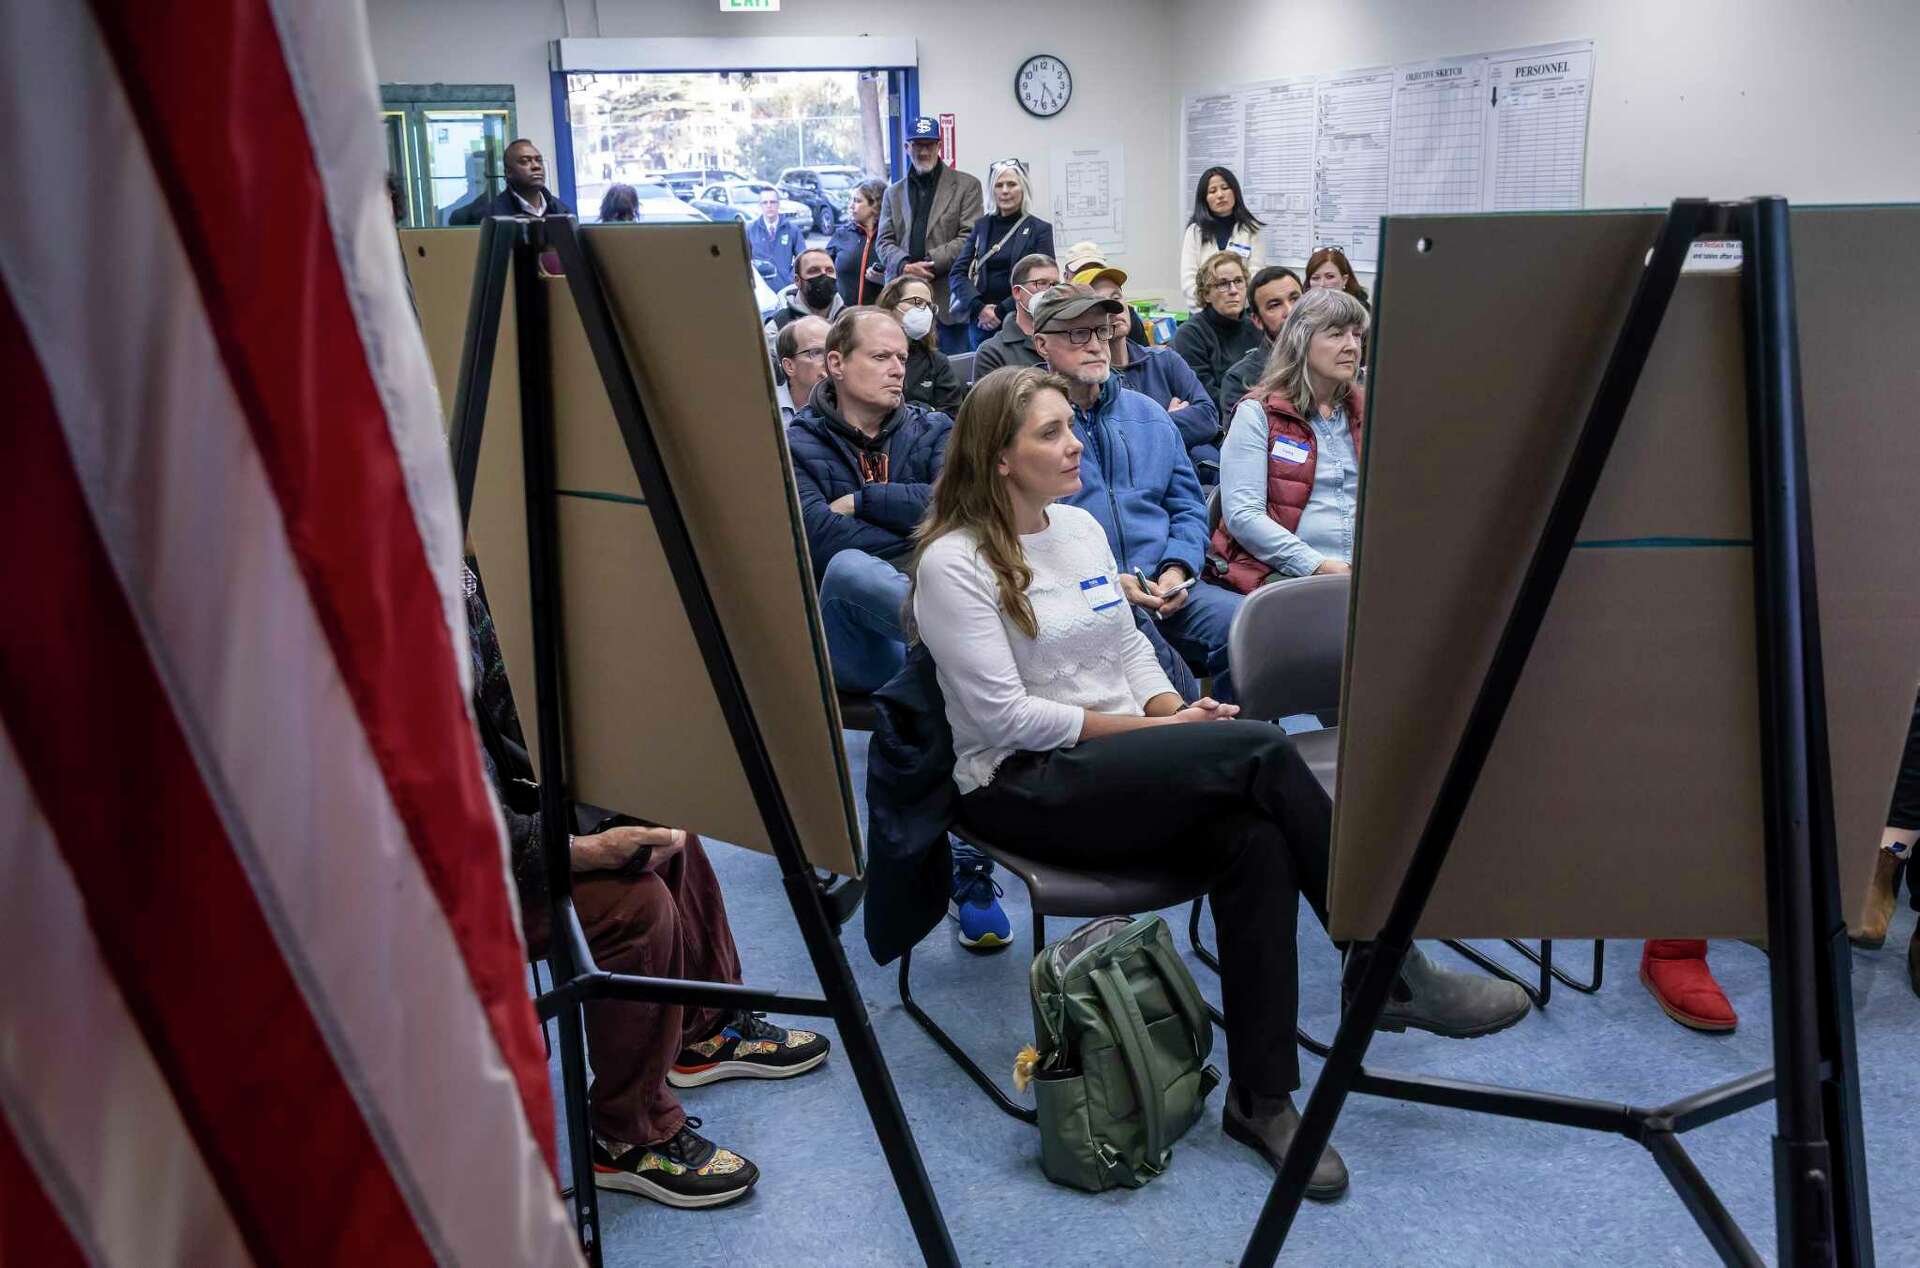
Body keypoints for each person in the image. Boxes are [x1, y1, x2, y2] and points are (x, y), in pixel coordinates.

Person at [909, 365, 1532, 1198]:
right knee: (1260, 751)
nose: (1073, 443)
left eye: (1070, 425)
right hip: (1023, 784)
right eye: (1050, 433)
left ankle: (1262, 1099)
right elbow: (1008, 720)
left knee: (1258, 839)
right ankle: (1387, 967)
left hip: (1118, 763)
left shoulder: (1080, 530)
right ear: (998, 460)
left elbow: (1127, 648)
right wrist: (1167, 732)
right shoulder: (953, 564)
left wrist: (1174, 708)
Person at [462, 564, 828, 1210]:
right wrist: (574, 848)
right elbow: (444, 817)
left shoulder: (453, 577)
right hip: (448, 881)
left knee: (664, 828)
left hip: (505, 821)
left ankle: (703, 1028)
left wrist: (617, 768)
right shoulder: (375, 618)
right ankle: (627, 1135)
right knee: (632, 908)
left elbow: (510, 708)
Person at [787, 308, 1010, 949]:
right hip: (855, 630)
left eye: (901, 359)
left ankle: (967, 872)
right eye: (881, 357)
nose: (897, 369)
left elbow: (959, 505)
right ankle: (964, 647)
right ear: (835, 363)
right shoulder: (796, 443)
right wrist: (910, 524)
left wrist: (863, 499)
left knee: (944, 700)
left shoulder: (933, 426)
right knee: (856, 567)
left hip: (927, 621)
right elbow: (817, 539)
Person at [1028, 283, 1239, 685]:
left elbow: (1187, 508)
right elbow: (1020, 532)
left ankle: (1240, 738)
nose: (1096, 345)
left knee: (1251, 630)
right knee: (1166, 681)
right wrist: (1108, 583)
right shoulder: (1026, 425)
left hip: (1167, 586)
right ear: (1041, 344)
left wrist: (1177, 568)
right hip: (1081, 596)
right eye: (1078, 333)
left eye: (1102, 330)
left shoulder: (1149, 415)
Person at [1209, 289, 1364, 593]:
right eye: (1336, 334)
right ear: (1302, 342)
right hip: (1290, 573)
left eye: (1356, 335)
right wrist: (1316, 565)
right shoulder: (1258, 414)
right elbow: (1243, 516)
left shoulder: (1367, 412)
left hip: (1366, 573)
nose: (1351, 346)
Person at [1079, 258, 1221, 478]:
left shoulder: (1164, 359)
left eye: (1117, 298)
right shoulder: (1089, 380)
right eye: (1103, 303)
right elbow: (1114, 446)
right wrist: (1166, 419)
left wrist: (1147, 428)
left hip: (1193, 477)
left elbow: (1209, 418)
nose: (1115, 309)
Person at [876, 116, 983, 356]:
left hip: (947, 303)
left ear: (939, 146)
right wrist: (905, 266)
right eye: (917, 145)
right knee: (902, 373)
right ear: (907, 147)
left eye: (929, 144)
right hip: (902, 304)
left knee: (954, 375)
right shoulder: (893, 193)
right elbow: (883, 241)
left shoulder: (967, 186)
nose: (924, 151)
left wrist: (930, 262)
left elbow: (970, 236)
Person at [950, 159, 1056, 350]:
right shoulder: (981, 226)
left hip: (1020, 321)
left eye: (1012, 184)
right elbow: (957, 273)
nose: (1005, 191)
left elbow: (1045, 282)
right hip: (981, 323)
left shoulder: (1039, 229)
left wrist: (1000, 311)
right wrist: (979, 308)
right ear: (992, 190)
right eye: (999, 185)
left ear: (1023, 188)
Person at [1171, 251, 1265, 416]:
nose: (1233, 290)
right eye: (1222, 284)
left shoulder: (1257, 326)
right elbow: (1204, 395)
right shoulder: (1190, 335)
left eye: (1238, 281)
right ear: (1206, 294)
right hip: (1223, 420)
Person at [1220, 265, 1304, 416]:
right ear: (1257, 320)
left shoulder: (1332, 359)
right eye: (1275, 305)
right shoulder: (1240, 379)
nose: (1290, 311)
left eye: (1295, 299)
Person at [877, 275, 967, 415]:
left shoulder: (937, 362)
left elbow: (951, 416)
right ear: (891, 306)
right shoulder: (869, 356)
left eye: (929, 306)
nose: (925, 311)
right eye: (917, 302)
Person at [1179, 166, 1265, 309]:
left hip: (1242, 312)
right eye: (1212, 191)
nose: (1220, 195)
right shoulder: (1195, 232)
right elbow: (1188, 279)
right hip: (1204, 313)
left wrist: (1235, 303)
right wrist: (1211, 304)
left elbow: (1255, 275)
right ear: (1204, 199)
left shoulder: (1252, 230)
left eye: (1225, 188)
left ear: (1235, 192)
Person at [972, 253, 1060, 376]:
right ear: (1017, 292)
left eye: (1055, 285)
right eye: (1041, 283)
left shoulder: (1069, 340)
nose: (1050, 291)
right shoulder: (993, 352)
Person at [449, 138, 573, 224]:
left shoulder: (562, 211)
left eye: (538, 160)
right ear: (508, 173)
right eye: (525, 161)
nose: (536, 166)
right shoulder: (490, 215)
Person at [766, 247, 846, 352]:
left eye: (829, 270)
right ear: (797, 280)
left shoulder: (850, 322)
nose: (824, 275)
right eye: (814, 271)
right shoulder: (777, 328)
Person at [830, 178, 889, 306]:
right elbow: (825, 272)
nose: (851, 206)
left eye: (857, 201)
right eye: (851, 200)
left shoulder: (891, 237)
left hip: (880, 318)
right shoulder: (841, 234)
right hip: (844, 317)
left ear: (875, 205)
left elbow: (904, 283)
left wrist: (884, 279)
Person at [773, 315, 830, 424]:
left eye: (832, 350)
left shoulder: (849, 405)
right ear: (789, 366)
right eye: (816, 353)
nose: (830, 360)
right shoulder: (767, 411)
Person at [747, 189, 805, 291]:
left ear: (778, 204)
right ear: (760, 205)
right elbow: (744, 261)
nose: (769, 206)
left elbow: (803, 258)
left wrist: (790, 279)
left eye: (773, 202)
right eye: (765, 202)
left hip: (785, 290)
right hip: (759, 292)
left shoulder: (792, 229)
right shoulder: (750, 230)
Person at [1304, 247, 1372, 309]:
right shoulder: (1303, 309)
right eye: (1315, 278)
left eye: (1330, 277)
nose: (1322, 284)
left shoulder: (1360, 313)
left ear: (1344, 280)